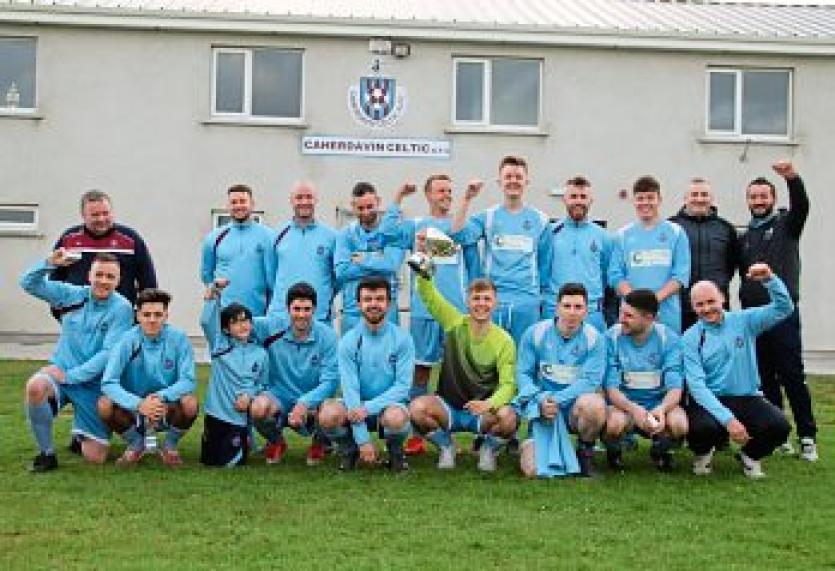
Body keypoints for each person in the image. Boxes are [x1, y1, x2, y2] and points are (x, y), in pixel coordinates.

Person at [379, 175, 479, 455]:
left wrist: (474, 305)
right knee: (420, 373)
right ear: (428, 195)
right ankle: (417, 433)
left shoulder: (463, 227)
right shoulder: (415, 226)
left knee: (458, 375)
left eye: (449, 190)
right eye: (440, 191)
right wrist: (398, 195)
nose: (446, 194)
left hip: (455, 314)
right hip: (423, 312)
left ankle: (460, 431)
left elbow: (475, 270)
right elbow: (386, 232)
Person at [19, 251, 134, 471]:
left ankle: (80, 430)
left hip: (93, 385)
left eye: (110, 277)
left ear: (118, 281)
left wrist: (72, 376)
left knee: (95, 458)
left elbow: (108, 353)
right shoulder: (70, 294)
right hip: (59, 374)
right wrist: (49, 263)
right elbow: (28, 283)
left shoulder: (122, 308)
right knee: (36, 386)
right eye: (98, 274)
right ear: (89, 276)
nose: (103, 281)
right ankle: (46, 454)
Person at [738, 160, 817, 461]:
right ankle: (779, 433)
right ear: (747, 201)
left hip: (783, 315)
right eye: (753, 197)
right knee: (765, 378)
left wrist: (792, 178)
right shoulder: (744, 237)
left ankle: (807, 437)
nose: (759, 201)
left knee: (792, 375)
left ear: (772, 198)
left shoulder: (787, 225)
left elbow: (802, 205)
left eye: (763, 196)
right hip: (754, 319)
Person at [683, 263, 792, 478]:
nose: (706, 309)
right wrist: (728, 420)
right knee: (702, 429)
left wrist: (770, 280)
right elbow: (696, 385)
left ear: (722, 298)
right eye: (699, 304)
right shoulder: (690, 338)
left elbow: (784, 308)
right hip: (710, 398)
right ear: (693, 307)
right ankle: (703, 454)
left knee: (779, 427)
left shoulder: (744, 321)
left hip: (746, 396)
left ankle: (750, 456)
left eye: (711, 301)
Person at [408, 267, 517, 472]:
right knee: (416, 408)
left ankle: (488, 449)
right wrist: (424, 273)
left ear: (495, 303)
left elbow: (509, 385)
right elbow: (429, 296)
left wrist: (489, 404)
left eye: (487, 299)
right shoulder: (454, 324)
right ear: (467, 301)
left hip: (482, 412)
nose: (481, 304)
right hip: (448, 407)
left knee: (509, 418)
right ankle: (446, 446)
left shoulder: (504, 341)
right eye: (476, 298)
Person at [318, 277, 415, 472]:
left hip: (388, 407)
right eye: (368, 299)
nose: (373, 304)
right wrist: (363, 440)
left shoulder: (403, 339)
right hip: (355, 407)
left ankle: (395, 451)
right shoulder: (348, 341)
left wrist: (368, 408)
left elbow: (402, 387)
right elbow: (350, 390)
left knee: (396, 417)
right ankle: (349, 449)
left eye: (379, 299)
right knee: (328, 413)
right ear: (359, 304)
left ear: (389, 303)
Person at [450, 155, 550, 343]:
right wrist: (467, 198)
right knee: (489, 360)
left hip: (526, 302)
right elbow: (458, 234)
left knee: (522, 361)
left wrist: (540, 301)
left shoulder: (541, 220)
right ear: (500, 182)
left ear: (526, 181)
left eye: (518, 177)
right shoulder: (488, 217)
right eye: (508, 177)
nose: (513, 181)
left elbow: (545, 266)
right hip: (493, 301)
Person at [514, 283, 607, 478]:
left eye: (578, 307)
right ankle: (532, 441)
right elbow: (523, 374)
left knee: (595, 405)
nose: (572, 312)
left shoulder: (594, 339)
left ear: (586, 310)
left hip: (573, 409)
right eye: (567, 306)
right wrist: (540, 401)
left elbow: (590, 381)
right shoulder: (535, 333)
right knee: (532, 471)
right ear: (556, 308)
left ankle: (585, 452)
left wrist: (556, 400)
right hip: (543, 410)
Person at [98, 289, 198, 467]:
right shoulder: (126, 340)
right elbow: (108, 382)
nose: (152, 320)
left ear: (166, 315)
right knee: (104, 405)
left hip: (167, 406)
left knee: (190, 403)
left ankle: (169, 446)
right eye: (147, 314)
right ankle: (136, 444)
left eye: (158, 314)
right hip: (133, 408)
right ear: (138, 315)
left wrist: (161, 397)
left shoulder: (179, 338)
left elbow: (188, 380)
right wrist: (138, 404)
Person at [248, 281, 340, 466]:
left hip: (313, 399)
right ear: (288, 308)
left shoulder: (328, 336)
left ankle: (320, 443)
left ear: (314, 309)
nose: (301, 315)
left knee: (331, 412)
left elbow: (331, 381)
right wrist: (215, 299)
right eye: (296, 309)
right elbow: (236, 322)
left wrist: (305, 402)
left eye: (307, 309)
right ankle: (276, 441)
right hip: (278, 396)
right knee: (258, 408)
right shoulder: (271, 327)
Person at [602, 289, 687, 472]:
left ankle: (662, 450)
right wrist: (634, 410)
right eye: (621, 313)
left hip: (657, 405)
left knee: (680, 424)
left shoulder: (669, 339)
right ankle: (615, 452)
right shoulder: (611, 338)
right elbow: (611, 388)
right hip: (624, 407)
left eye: (628, 315)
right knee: (614, 423)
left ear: (649, 318)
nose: (621, 319)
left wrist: (662, 410)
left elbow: (675, 387)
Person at [199, 285, 270, 467]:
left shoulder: (260, 354)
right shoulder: (220, 346)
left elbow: (263, 384)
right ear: (226, 329)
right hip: (216, 414)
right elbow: (207, 322)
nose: (243, 325)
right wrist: (212, 295)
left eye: (246, 320)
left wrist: (249, 394)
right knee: (212, 462)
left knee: (233, 463)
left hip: (239, 417)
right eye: (236, 322)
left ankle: (251, 439)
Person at [609, 176, 691, 333]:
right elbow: (615, 276)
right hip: (631, 314)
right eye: (640, 198)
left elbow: (680, 275)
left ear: (659, 199)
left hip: (666, 316)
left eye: (650, 198)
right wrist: (637, 303)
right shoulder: (622, 235)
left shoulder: (676, 232)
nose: (645, 203)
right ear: (633, 201)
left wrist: (652, 302)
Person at [51, 190, 157, 308]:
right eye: (95, 215)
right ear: (83, 216)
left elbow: (148, 282)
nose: (101, 219)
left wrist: (143, 316)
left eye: (106, 213)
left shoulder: (130, 239)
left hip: (120, 318)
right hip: (77, 317)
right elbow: (54, 279)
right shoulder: (68, 239)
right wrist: (59, 311)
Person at [542, 176, 613, 332]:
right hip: (554, 311)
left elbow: (606, 275)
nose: (578, 201)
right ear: (564, 199)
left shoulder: (604, 237)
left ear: (591, 200)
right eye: (573, 196)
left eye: (583, 197)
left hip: (591, 313)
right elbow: (542, 270)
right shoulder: (549, 233)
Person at [334, 182, 406, 333]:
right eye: (360, 208)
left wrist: (364, 259)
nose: (366, 212)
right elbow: (342, 271)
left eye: (370, 206)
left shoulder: (393, 231)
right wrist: (378, 262)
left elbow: (392, 265)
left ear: (378, 202)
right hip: (353, 313)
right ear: (353, 206)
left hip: (386, 312)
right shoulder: (345, 235)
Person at [670, 178, 739, 331]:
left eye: (704, 194)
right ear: (685, 198)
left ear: (711, 199)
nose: (699, 199)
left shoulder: (726, 228)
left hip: (716, 307)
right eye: (694, 194)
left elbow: (731, 265)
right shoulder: (671, 227)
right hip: (682, 308)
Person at [266, 181, 337, 323]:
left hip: (319, 317)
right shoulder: (276, 235)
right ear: (291, 201)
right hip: (282, 318)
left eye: (309, 197)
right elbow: (270, 277)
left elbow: (337, 278)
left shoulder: (332, 236)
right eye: (299, 197)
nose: (304, 202)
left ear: (316, 199)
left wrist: (323, 298)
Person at [200, 184, 276, 316]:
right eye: (233, 202)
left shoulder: (268, 236)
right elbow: (206, 275)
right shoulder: (214, 238)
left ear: (252, 204)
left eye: (243, 201)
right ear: (228, 206)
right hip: (224, 315)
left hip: (258, 314)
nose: (238, 206)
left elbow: (273, 279)